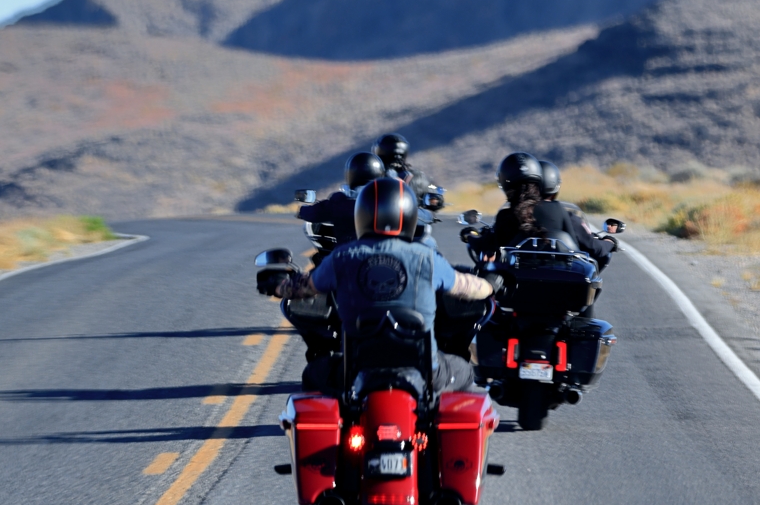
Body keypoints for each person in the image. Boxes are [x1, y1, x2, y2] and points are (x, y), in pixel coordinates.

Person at [259, 177, 497, 394]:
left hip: (353, 371)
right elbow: (471, 287)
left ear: (360, 215)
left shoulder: (342, 256)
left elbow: (303, 287)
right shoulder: (427, 258)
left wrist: (278, 285)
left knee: (312, 375)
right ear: (410, 215)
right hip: (426, 371)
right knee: (466, 372)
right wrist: (491, 284)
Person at [474, 154, 613, 268]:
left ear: (504, 182)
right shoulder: (560, 211)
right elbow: (585, 248)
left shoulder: (505, 215)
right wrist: (610, 242)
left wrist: (470, 236)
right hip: (563, 280)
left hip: (517, 284)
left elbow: (493, 247)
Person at [297, 152, 385, 261]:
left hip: (346, 258)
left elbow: (312, 213)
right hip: (384, 257)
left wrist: (301, 210)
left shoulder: (339, 201)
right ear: (380, 173)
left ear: (351, 174)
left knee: (317, 268)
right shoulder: (387, 199)